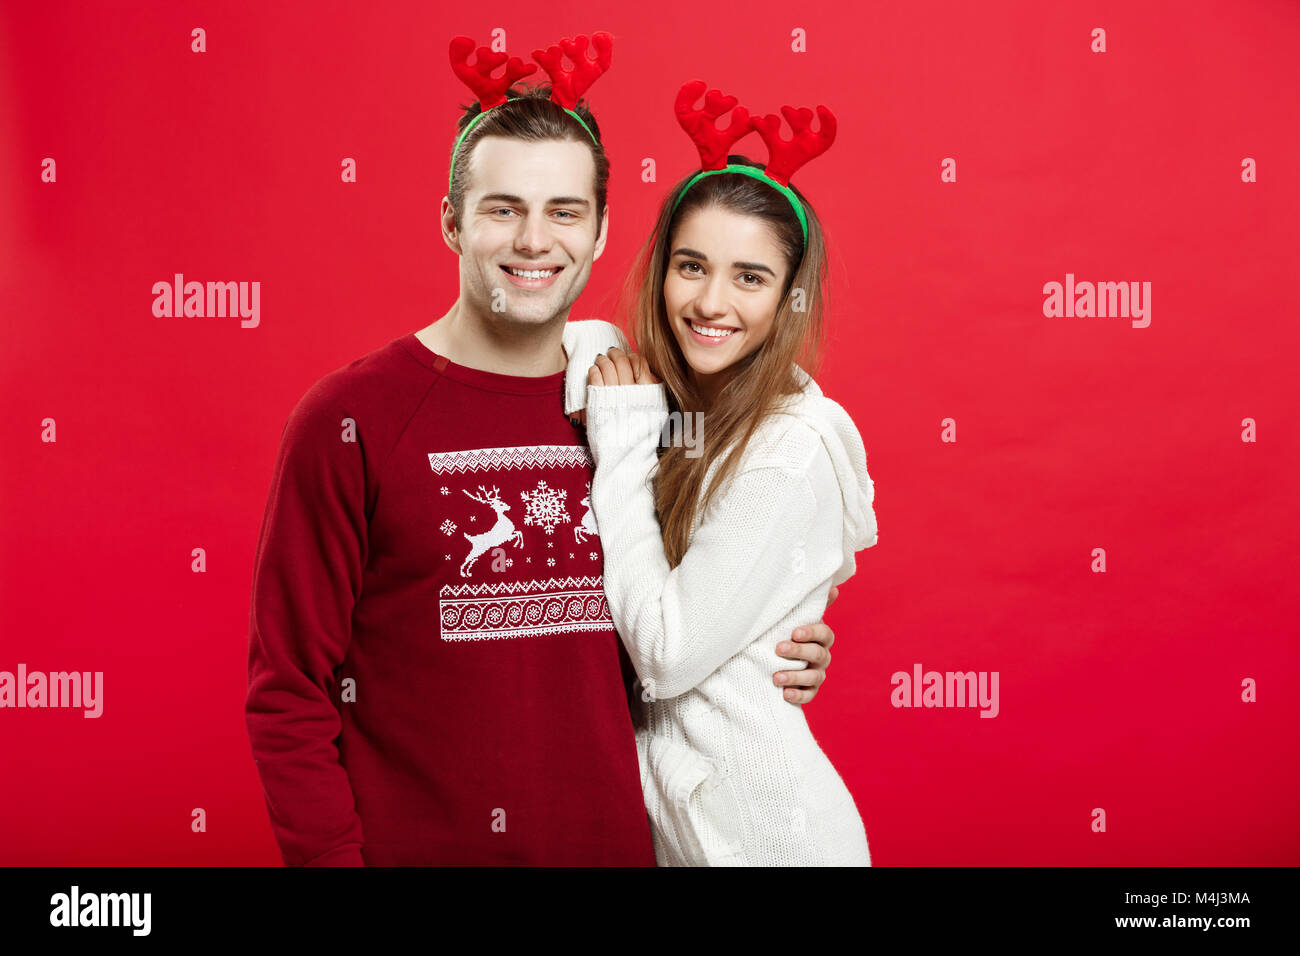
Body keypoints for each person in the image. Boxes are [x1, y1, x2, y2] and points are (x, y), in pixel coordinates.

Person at [243, 35, 843, 867]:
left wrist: (779, 637)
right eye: (502, 209)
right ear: (452, 220)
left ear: (599, 233)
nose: (534, 240)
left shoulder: (644, 413)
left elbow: (688, 614)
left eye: (564, 211)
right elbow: (288, 696)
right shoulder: (350, 420)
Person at [576, 79, 879, 865]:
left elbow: (669, 655)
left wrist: (619, 450)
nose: (712, 302)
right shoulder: (680, 414)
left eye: (750, 277)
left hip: (769, 837)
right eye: (691, 265)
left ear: (790, 300)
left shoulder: (789, 447)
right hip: (680, 831)